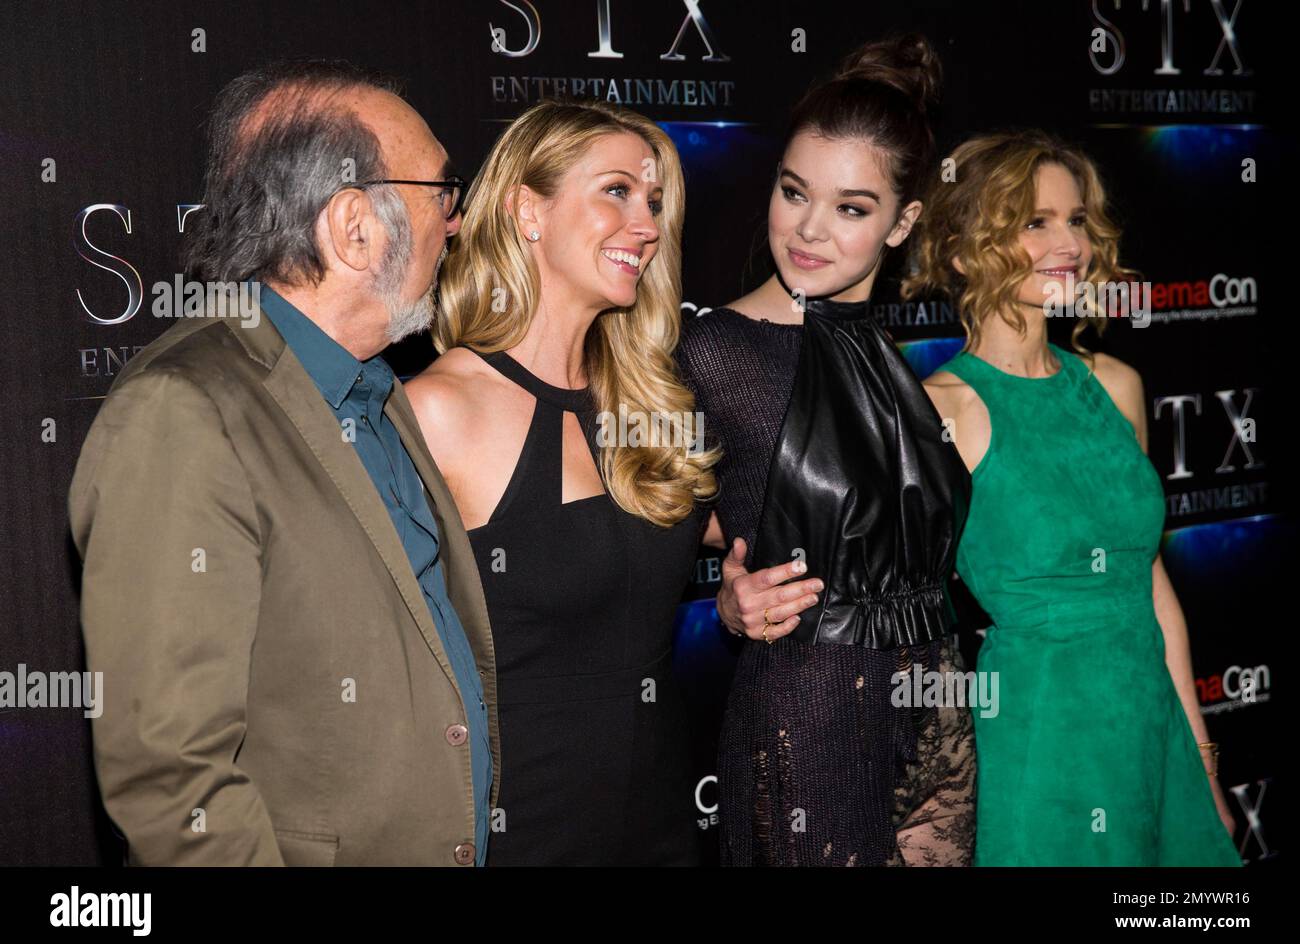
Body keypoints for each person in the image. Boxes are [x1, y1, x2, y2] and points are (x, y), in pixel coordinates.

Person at [68, 60, 496, 865]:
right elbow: (175, 783)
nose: (457, 221)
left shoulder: (378, 388)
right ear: (353, 228)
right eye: (441, 191)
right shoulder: (182, 412)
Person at [675, 34, 975, 867]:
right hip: (811, 714)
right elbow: (648, 516)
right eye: (793, 192)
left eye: (850, 207)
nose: (807, 230)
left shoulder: (887, 357)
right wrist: (732, 588)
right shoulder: (718, 352)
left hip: (938, 702)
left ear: (901, 223)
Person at [908, 130, 1241, 865]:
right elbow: (899, 610)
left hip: (1152, 734)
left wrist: (1199, 750)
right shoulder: (941, 411)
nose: (1070, 243)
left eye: (1077, 220)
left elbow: (1149, 582)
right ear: (965, 251)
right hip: (1040, 741)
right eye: (1035, 222)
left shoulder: (1115, 386)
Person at [405, 99, 719, 865]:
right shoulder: (437, 410)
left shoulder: (651, 401)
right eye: (615, 191)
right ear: (526, 210)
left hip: (667, 827)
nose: (644, 225)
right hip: (524, 831)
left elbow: (680, 560)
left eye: (653, 202)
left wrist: (740, 595)